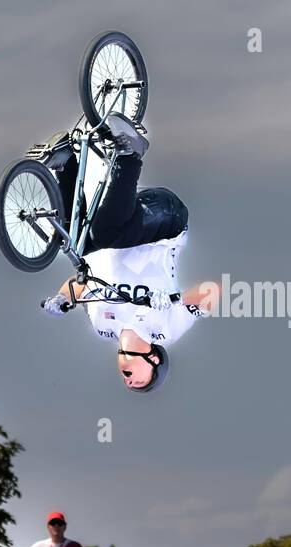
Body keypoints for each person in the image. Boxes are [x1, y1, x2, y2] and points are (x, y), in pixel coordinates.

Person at [37, 113, 209, 393]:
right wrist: (175, 299)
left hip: (120, 229)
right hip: (165, 223)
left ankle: (66, 161)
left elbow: (81, 286)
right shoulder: (166, 330)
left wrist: (61, 299)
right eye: (140, 381)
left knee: (65, 241)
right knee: (106, 232)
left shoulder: (102, 326)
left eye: (129, 384)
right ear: (154, 359)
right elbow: (213, 291)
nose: (129, 381)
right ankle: (131, 154)